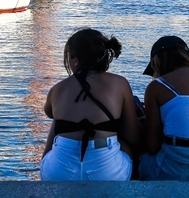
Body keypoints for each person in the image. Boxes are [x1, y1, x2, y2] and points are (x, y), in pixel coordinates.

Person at [40, 29, 140, 181]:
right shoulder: (120, 83)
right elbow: (134, 137)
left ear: (75, 59)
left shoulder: (58, 89)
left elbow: (49, 112)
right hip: (108, 174)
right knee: (121, 129)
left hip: (58, 173)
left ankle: (46, 164)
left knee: (59, 121)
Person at [138, 36, 189, 181]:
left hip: (175, 166)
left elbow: (152, 146)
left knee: (136, 160)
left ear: (157, 61)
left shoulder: (157, 86)